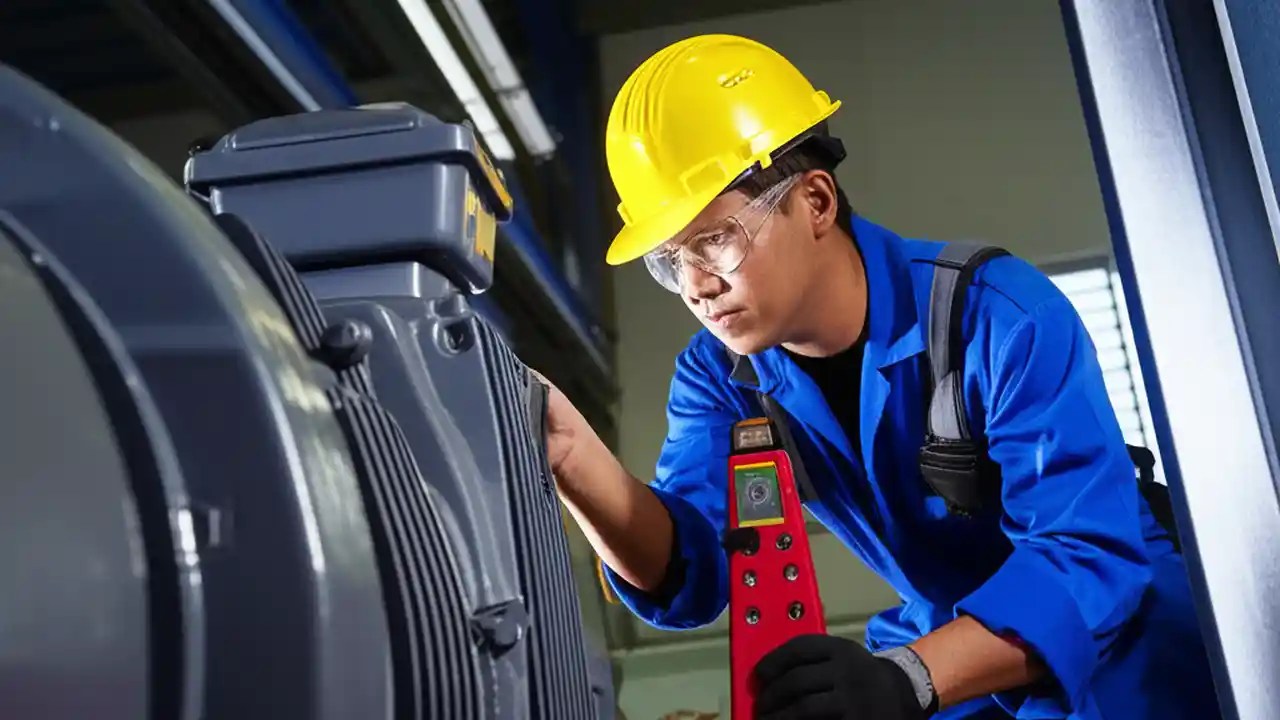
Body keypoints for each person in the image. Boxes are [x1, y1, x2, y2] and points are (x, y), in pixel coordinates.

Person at [538, 34, 1221, 719]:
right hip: (945, 643)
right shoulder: (722, 377)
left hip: (1123, 646)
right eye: (669, 259)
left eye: (715, 240)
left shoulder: (998, 317)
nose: (695, 286)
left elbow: (1085, 556)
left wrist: (908, 679)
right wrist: (571, 453)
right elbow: (692, 570)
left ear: (815, 202)